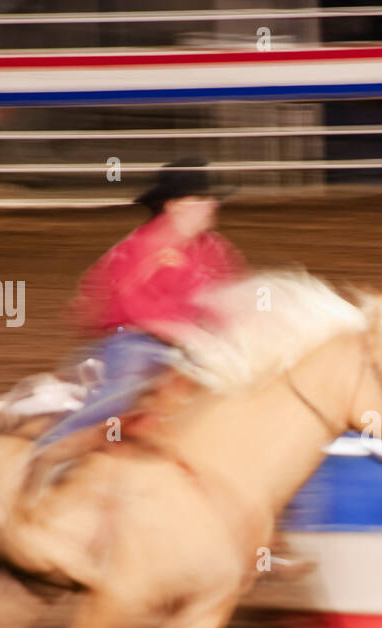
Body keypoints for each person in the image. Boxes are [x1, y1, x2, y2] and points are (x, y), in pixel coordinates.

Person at [24, 158, 247, 492]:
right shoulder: (140, 248)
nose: (211, 205)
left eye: (210, 198)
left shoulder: (213, 249)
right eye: (201, 198)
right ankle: (49, 447)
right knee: (121, 392)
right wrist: (188, 333)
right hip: (135, 341)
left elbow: (230, 299)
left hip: (192, 347)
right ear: (174, 206)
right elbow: (135, 308)